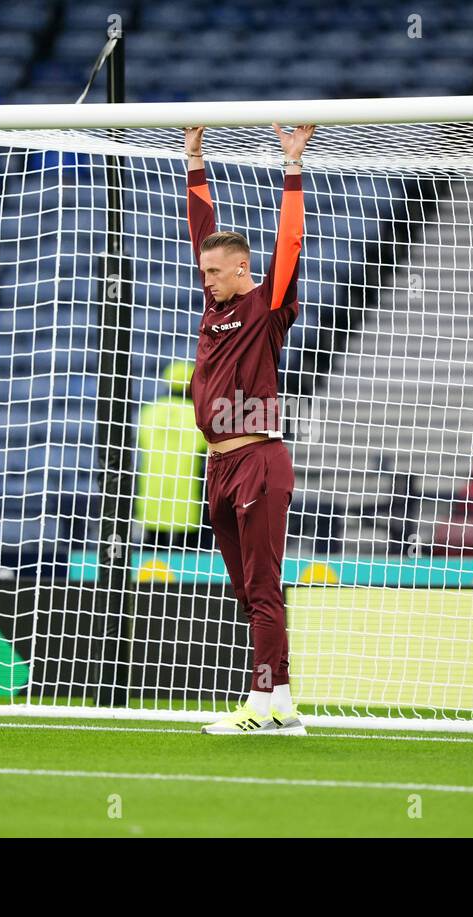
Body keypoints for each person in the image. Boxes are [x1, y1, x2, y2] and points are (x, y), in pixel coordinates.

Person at [185, 121, 316, 735]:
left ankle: (260, 706)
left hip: (259, 458)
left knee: (263, 588)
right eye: (204, 272)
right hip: (219, 464)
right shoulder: (216, 308)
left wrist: (292, 169)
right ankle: (283, 699)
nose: (204, 280)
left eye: (215, 273)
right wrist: (194, 161)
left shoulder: (266, 307)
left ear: (242, 269)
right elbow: (200, 235)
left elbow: (288, 246)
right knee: (249, 591)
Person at [135, 359, 212, 551]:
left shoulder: (148, 411)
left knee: (153, 548)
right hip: (187, 494)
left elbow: (140, 441)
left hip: (152, 491)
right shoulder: (198, 415)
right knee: (187, 553)